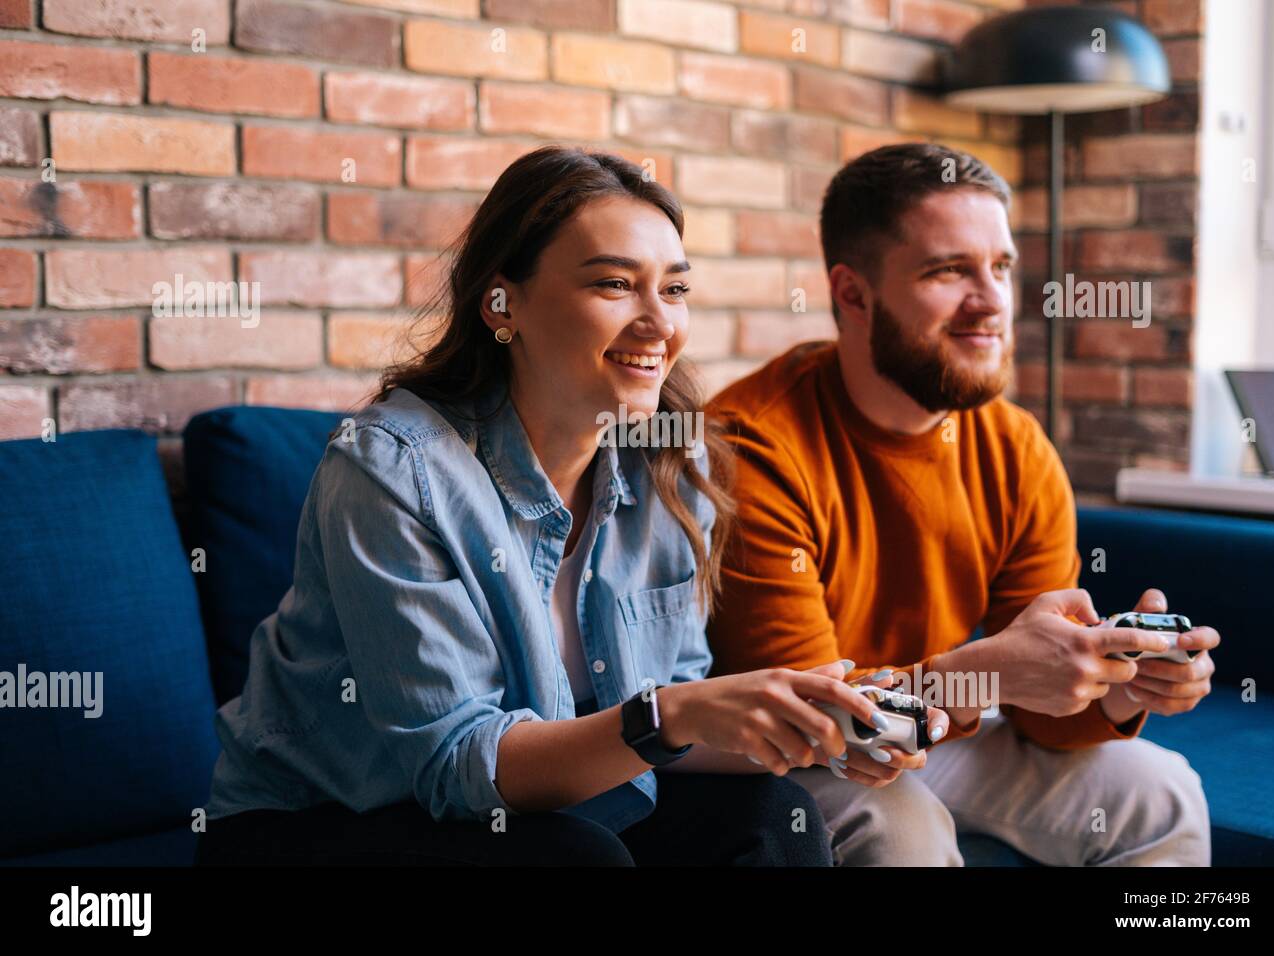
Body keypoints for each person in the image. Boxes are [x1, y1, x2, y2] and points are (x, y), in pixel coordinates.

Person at [194, 145, 912, 867]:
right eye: (614, 285)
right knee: (571, 856)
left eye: (674, 290)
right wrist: (671, 714)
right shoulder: (392, 467)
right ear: (503, 305)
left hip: (552, 805)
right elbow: (456, 766)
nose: (659, 324)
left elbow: (662, 728)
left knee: (771, 816)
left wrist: (811, 730)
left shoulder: (668, 460)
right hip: (319, 822)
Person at [706, 143, 1217, 867]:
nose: (992, 302)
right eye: (949, 270)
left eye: (1001, 268)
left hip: (940, 728)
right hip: (799, 754)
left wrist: (1119, 686)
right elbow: (820, 723)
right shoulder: (751, 447)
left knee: (1160, 793)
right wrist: (988, 675)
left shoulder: (1016, 447)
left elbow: (1043, 715)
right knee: (901, 829)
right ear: (853, 295)